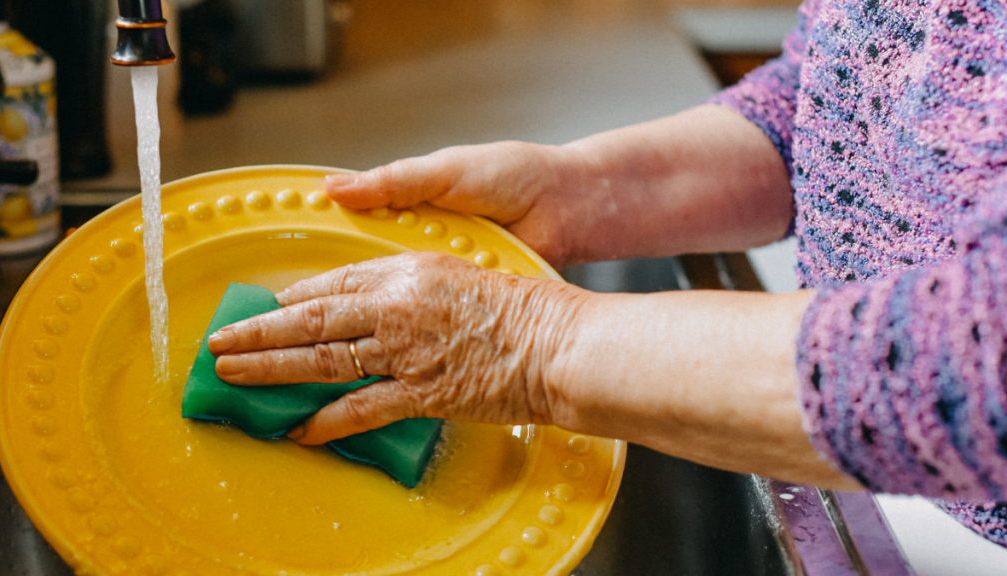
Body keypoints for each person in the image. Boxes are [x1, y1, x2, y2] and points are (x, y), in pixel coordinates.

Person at [208, 0, 1007, 546]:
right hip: (918, 495)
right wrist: (580, 190)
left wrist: (534, 346)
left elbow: (984, 360)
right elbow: (841, 97)